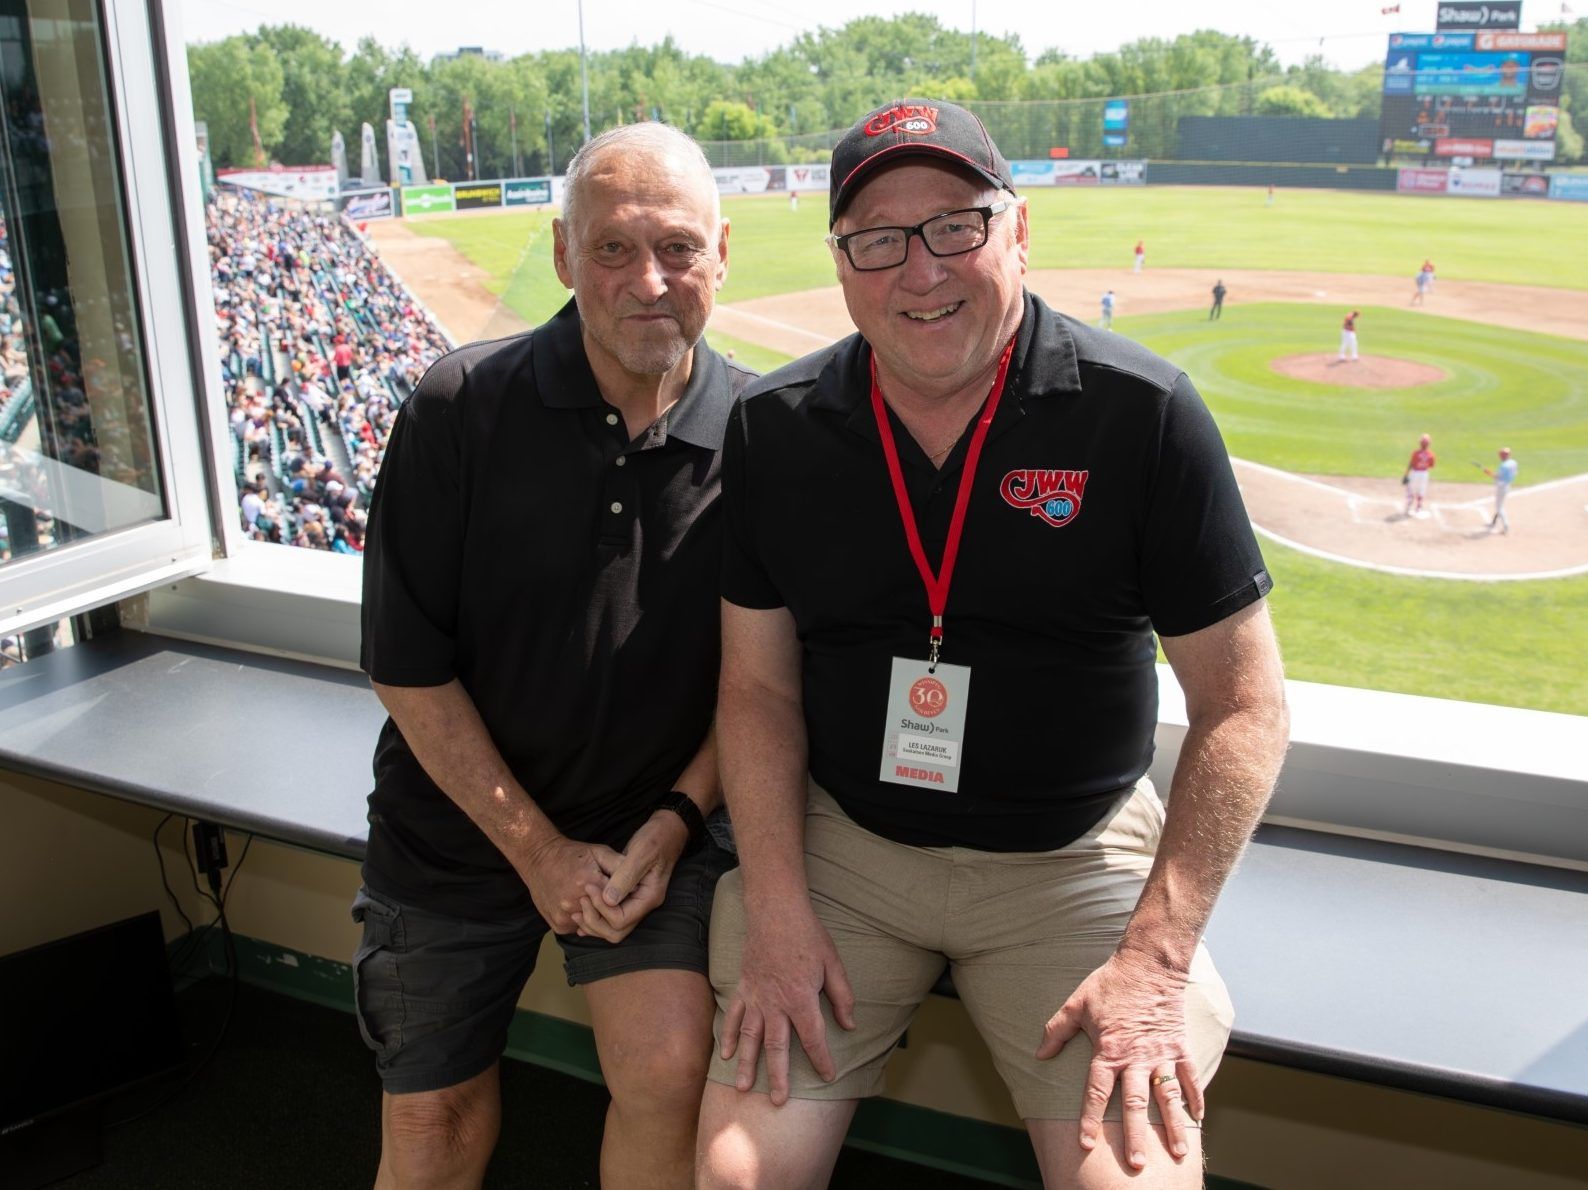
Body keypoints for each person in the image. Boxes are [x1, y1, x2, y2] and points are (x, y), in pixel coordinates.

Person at [697, 98, 1289, 1190]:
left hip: (1070, 859)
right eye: (877, 238)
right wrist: (776, 911)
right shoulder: (774, 426)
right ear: (841, 263)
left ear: (1017, 231)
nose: (918, 270)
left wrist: (1154, 961)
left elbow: (1245, 705)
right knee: (739, 1173)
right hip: (845, 850)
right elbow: (757, 690)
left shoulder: (1141, 412)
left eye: (955, 225)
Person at [355, 122, 751, 1190]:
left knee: (668, 1070)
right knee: (431, 1123)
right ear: (566, 256)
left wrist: (672, 824)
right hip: (459, 825)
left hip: (648, 833)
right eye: (613, 249)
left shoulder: (766, 436)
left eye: (677, 247)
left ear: (724, 250)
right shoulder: (460, 407)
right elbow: (404, 663)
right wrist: (536, 851)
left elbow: (760, 685)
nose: (648, 280)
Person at [1483, 446, 1518, 533]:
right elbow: (1515, 473)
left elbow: (1497, 476)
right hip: (1508, 485)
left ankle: (1506, 525)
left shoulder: (1504, 466)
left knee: (1499, 507)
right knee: (1499, 504)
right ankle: (1493, 522)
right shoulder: (1513, 462)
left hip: (1501, 487)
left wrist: (1488, 472)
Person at [1404, 432, 1436, 517]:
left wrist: (1405, 475)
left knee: (1411, 490)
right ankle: (1418, 508)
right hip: (1424, 474)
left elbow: (1411, 464)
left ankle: (1408, 508)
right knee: (1421, 490)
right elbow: (1431, 465)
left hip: (1414, 473)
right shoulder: (1431, 455)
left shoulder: (1415, 453)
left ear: (1420, 443)